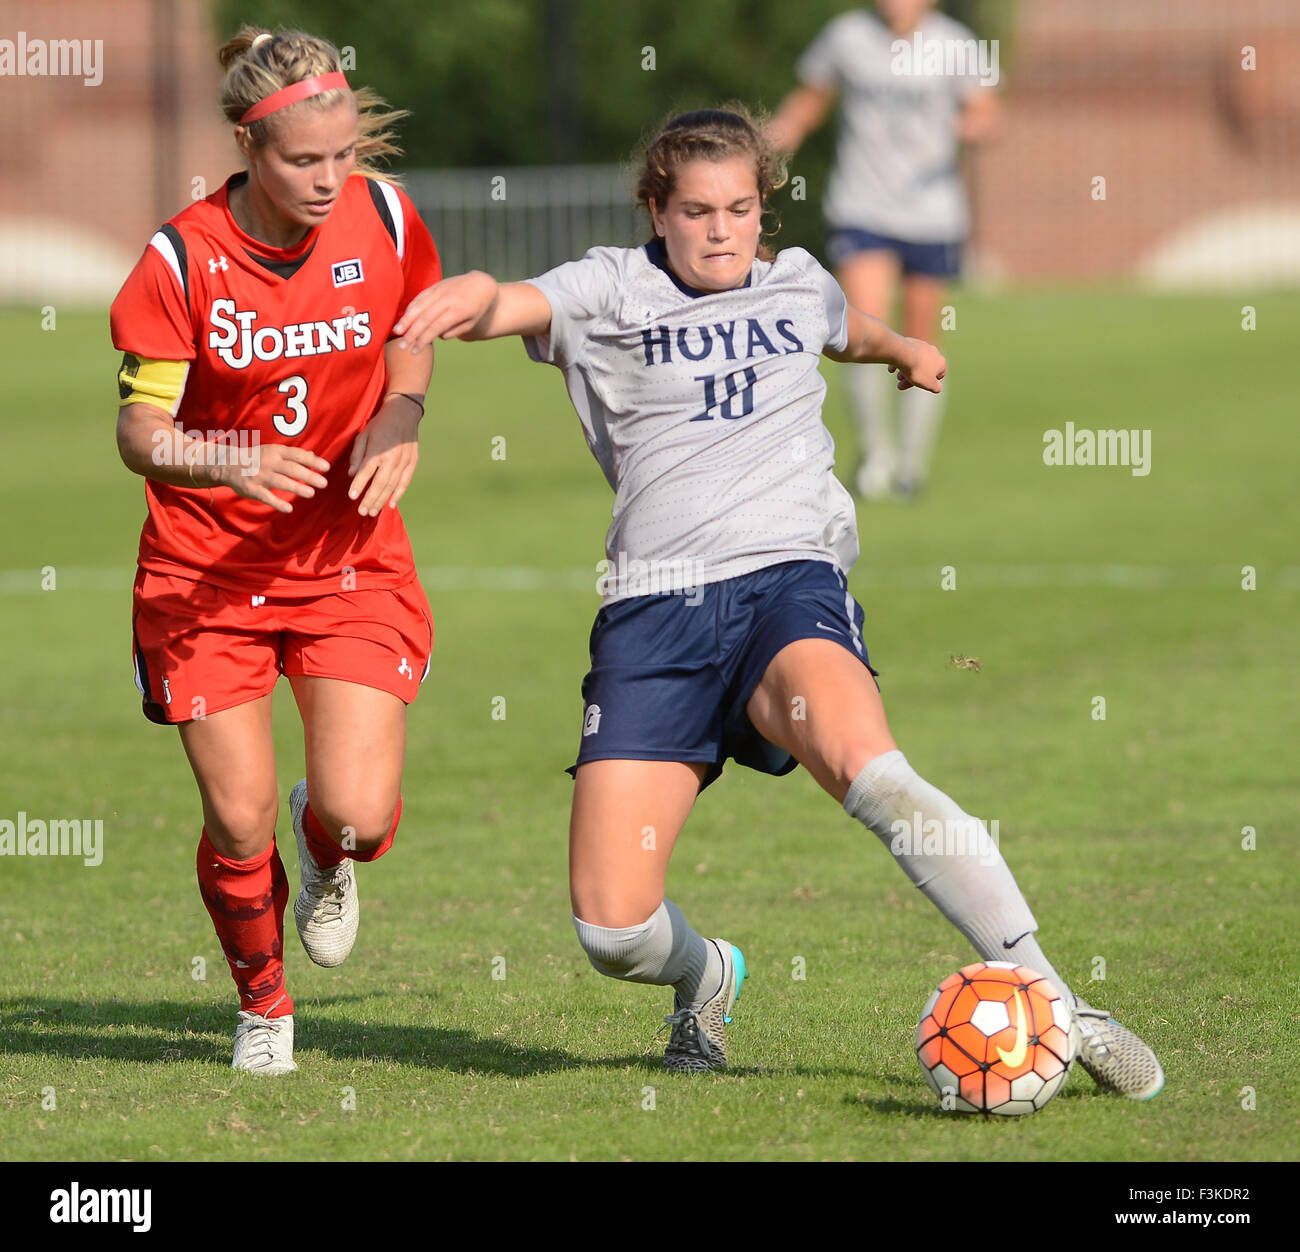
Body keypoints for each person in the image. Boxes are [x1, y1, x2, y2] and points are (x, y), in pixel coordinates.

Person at [393, 106, 1163, 1098]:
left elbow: (851, 330)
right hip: (653, 612)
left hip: (785, 579)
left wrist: (904, 353)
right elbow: (509, 303)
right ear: (656, 212)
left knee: (873, 773)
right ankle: (707, 973)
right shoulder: (605, 289)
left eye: (741, 208)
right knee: (612, 929)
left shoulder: (799, 285)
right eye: (698, 211)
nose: (721, 229)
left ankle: (1063, 1006)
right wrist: (468, 294)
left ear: (765, 210)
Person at [111, 26, 442, 1074]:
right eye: (305, 161)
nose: (329, 178)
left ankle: (328, 850)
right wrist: (226, 456)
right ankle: (262, 1004)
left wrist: (403, 415)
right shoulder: (181, 257)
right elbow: (138, 435)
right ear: (249, 149)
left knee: (353, 811)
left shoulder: (382, 214)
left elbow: (414, 327)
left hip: (347, 560)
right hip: (206, 572)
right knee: (238, 815)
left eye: (343, 155)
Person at [768, 0, 1001, 499]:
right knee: (864, 324)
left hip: (932, 211)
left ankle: (911, 465)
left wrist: (978, 126)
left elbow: (985, 108)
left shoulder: (954, 43)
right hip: (862, 205)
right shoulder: (847, 35)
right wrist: (773, 139)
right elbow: (812, 98)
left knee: (919, 333)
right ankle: (876, 453)